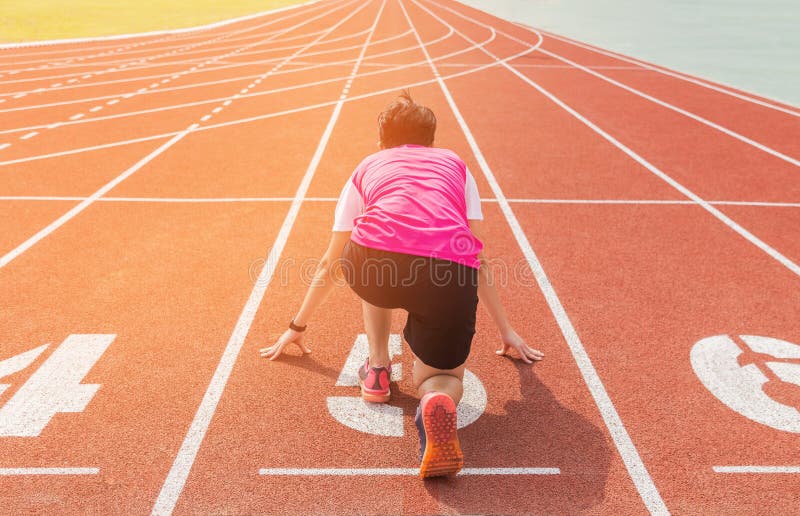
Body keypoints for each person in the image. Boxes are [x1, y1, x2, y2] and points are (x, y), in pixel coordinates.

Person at [260, 90, 544, 477]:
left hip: (374, 267)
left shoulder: (367, 166)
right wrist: (507, 330)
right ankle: (436, 398)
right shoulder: (456, 167)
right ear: (432, 140)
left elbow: (331, 259)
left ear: (381, 141)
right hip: (447, 274)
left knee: (373, 251)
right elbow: (473, 255)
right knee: (441, 376)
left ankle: (377, 369)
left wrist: (297, 326)